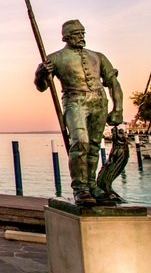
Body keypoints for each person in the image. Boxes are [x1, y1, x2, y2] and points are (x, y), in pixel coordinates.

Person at [34, 19, 123, 206]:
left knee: (94, 145)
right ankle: (80, 188)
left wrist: (118, 108)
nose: (81, 37)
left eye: (83, 33)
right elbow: (42, 87)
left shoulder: (98, 57)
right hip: (75, 101)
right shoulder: (55, 58)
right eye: (77, 34)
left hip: (99, 101)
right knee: (80, 142)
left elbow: (113, 83)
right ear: (66, 37)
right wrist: (40, 73)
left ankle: (93, 186)